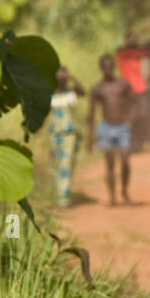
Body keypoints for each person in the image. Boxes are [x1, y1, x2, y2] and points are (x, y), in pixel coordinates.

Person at [88, 54, 135, 206]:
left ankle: (125, 190)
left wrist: (131, 119)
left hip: (122, 126)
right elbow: (92, 114)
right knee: (109, 163)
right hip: (106, 127)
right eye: (105, 67)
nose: (108, 69)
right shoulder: (98, 88)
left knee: (125, 159)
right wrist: (90, 138)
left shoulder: (123, 84)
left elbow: (134, 102)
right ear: (101, 68)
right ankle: (112, 196)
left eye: (110, 66)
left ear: (113, 67)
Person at [48, 67, 84, 208]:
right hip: (54, 134)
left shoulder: (71, 93)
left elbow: (82, 92)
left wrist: (72, 78)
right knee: (56, 165)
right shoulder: (50, 94)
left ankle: (64, 198)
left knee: (67, 165)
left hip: (69, 134)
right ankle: (59, 195)